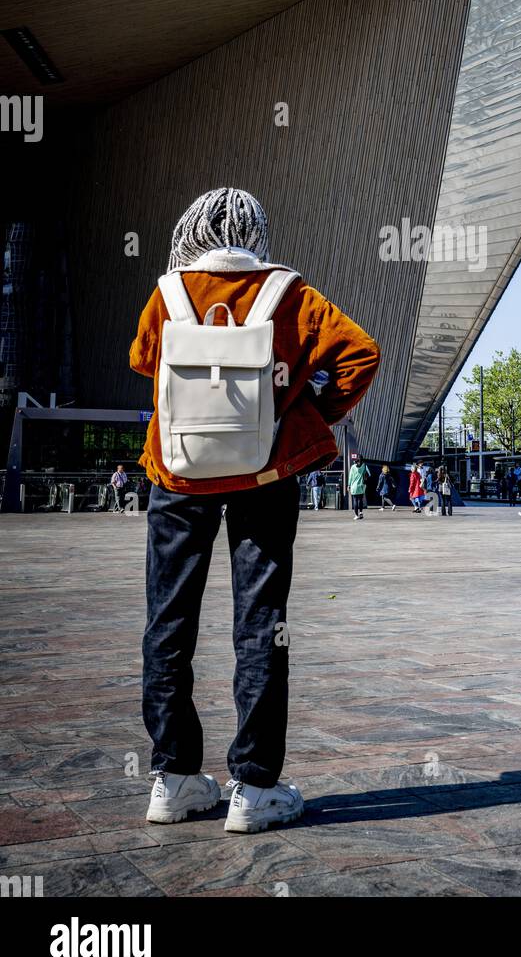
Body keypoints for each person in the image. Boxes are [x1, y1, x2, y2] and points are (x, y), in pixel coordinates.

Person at [130, 187, 379, 832]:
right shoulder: (289, 293)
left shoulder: (170, 291)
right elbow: (360, 355)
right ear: (255, 229)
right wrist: (301, 413)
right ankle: (254, 788)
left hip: (177, 474)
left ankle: (174, 778)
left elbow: (142, 358)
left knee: (168, 621)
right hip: (263, 474)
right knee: (262, 622)